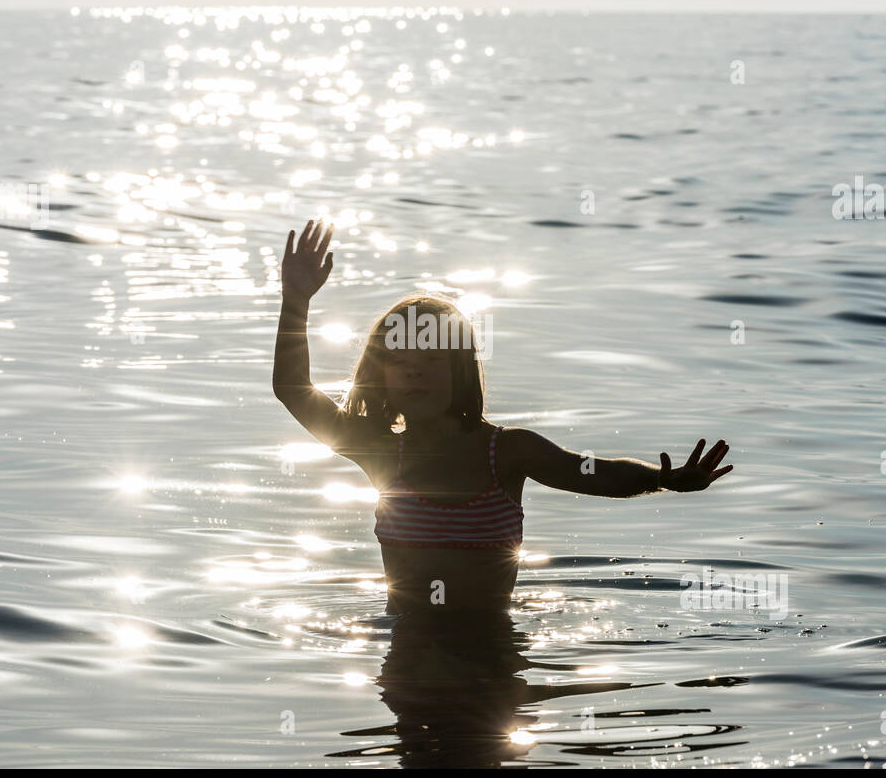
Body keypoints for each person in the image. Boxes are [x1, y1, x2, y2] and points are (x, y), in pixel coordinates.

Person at [272, 219, 733, 614]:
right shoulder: (378, 451)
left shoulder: (508, 451)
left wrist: (663, 479)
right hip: (407, 646)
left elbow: (596, 475)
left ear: (459, 371)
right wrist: (296, 299)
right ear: (380, 375)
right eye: (400, 360)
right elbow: (292, 389)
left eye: (432, 359)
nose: (415, 370)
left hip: (493, 643)